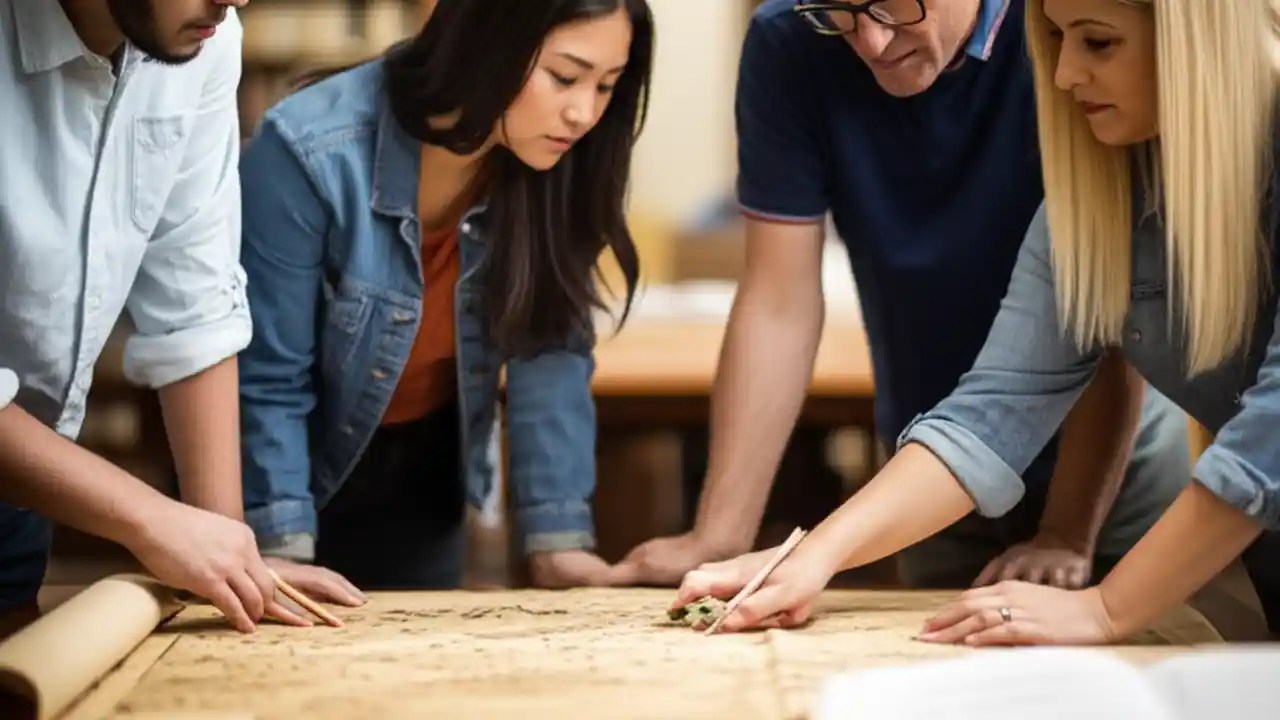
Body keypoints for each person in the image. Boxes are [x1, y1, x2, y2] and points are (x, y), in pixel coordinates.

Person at [677, 0, 1280, 643]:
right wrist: (811, 557)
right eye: (1055, 39)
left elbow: (1267, 436)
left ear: (1197, 41)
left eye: (1098, 43)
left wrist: (1106, 607)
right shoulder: (1104, 185)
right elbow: (994, 407)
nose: (1064, 73)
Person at [236, 0, 653, 591]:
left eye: (607, 86)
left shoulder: (554, 164)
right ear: (488, 41)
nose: (583, 112)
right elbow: (267, 377)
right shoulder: (308, 149)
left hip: (421, 484)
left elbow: (550, 351)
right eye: (564, 77)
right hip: (278, 481)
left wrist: (558, 543)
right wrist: (278, 549)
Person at [0, 0, 336, 637]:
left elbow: (195, 300)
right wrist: (154, 521)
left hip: (25, 483)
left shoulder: (204, 36)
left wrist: (228, 553)